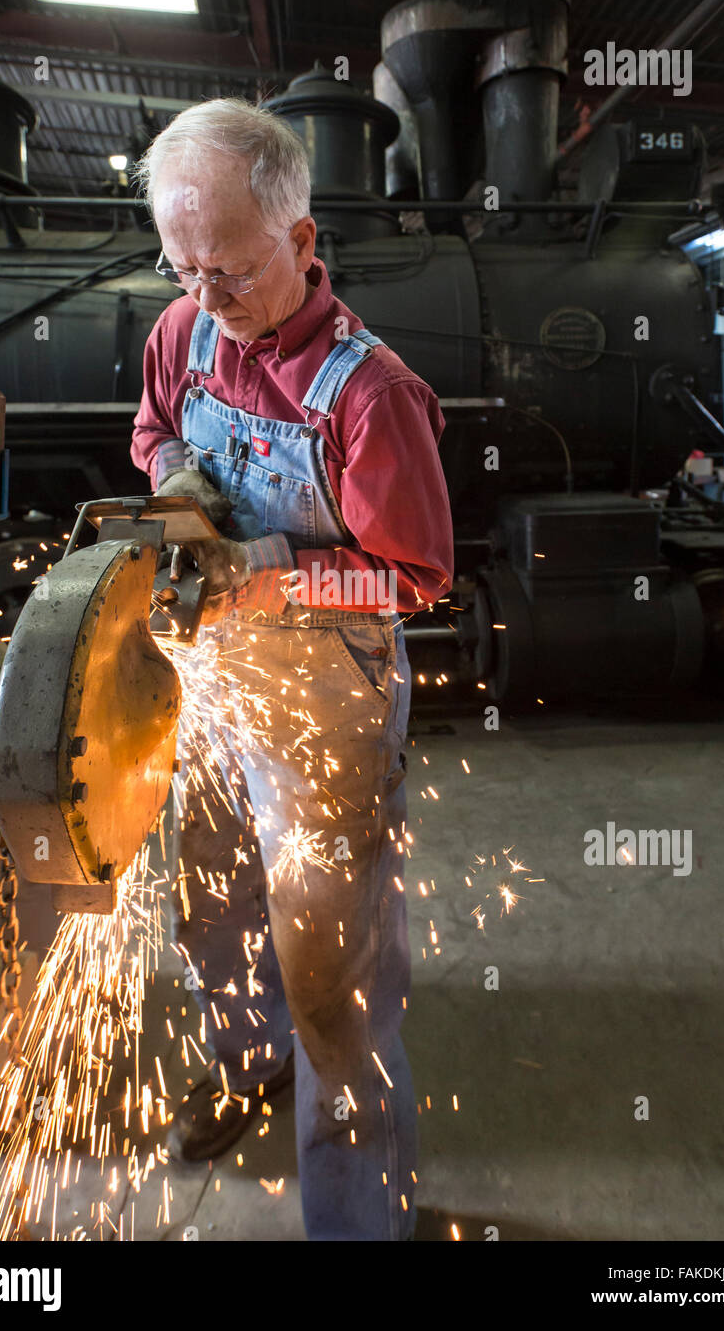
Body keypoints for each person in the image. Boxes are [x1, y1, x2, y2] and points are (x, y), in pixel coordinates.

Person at [131, 98, 453, 1241]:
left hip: (328, 697)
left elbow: (414, 579)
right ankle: (245, 1059)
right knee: (214, 902)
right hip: (216, 683)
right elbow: (154, 431)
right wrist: (181, 486)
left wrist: (271, 577)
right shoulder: (183, 330)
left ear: (302, 241)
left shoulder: (370, 396)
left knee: (335, 980)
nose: (204, 296)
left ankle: (358, 1209)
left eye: (228, 269)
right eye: (182, 269)